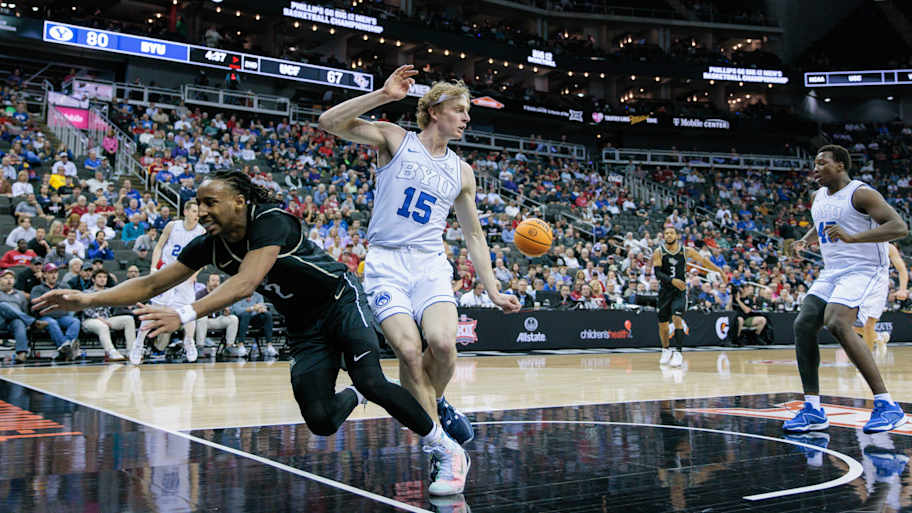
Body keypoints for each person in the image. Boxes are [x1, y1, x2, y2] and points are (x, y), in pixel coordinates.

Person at [32, 171, 469, 495]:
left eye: (210, 202)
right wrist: (86, 299)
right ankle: (355, 396)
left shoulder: (271, 220)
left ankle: (445, 449)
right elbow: (150, 285)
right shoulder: (209, 245)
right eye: (197, 204)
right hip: (304, 326)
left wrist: (184, 313)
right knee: (320, 420)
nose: (202, 211)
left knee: (372, 379)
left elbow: (245, 283)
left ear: (239, 201)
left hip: (339, 300)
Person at [318, 66, 521, 449]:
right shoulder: (395, 139)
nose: (466, 118)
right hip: (386, 263)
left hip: (429, 264)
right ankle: (440, 447)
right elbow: (328, 122)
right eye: (459, 110)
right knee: (410, 352)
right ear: (434, 111)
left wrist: (493, 290)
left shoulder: (462, 172)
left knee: (443, 345)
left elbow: (474, 235)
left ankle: (435, 401)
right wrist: (383, 95)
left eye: (467, 112)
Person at [785, 145, 909, 434]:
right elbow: (822, 225)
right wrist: (805, 241)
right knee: (804, 324)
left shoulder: (861, 193)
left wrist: (854, 238)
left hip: (865, 269)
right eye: (814, 164)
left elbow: (899, 227)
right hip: (833, 270)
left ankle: (887, 406)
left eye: (822, 163)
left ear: (840, 165)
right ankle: (813, 410)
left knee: (837, 321)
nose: (815, 169)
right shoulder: (818, 196)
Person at [132, 200, 205, 364]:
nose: (197, 215)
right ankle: (139, 343)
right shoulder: (172, 226)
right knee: (155, 309)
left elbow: (203, 258)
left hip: (186, 274)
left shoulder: (201, 231)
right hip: (167, 271)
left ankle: (189, 341)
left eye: (198, 212)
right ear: (186, 212)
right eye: (194, 211)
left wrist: (195, 274)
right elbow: (158, 247)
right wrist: (153, 268)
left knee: (189, 311)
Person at [651, 225, 726, 367]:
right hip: (665, 292)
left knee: (677, 318)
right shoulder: (659, 252)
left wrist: (719, 271)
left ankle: (678, 352)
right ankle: (666, 350)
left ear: (676, 235)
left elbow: (704, 262)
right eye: (666, 233)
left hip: (679, 292)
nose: (668, 235)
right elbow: (658, 273)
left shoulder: (686, 251)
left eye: (671, 233)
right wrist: (672, 281)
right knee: (663, 325)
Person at [853, 243, 908, 353]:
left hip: (878, 288)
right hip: (860, 288)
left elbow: (902, 269)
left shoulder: (888, 247)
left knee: (868, 325)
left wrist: (902, 289)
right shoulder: (859, 245)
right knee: (850, 327)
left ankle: (866, 362)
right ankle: (879, 338)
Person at [81, 269, 136, 362]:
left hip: (107, 319)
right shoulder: (86, 292)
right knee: (103, 326)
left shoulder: (109, 291)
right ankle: (111, 352)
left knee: (128, 319)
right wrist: (100, 319)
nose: (102, 279)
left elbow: (119, 301)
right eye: (99, 277)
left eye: (105, 277)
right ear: (93, 279)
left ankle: (131, 351)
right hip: (90, 320)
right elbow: (86, 309)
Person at [30, 263, 81, 361]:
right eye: (50, 273)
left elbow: (71, 301)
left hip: (62, 315)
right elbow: (36, 305)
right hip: (45, 316)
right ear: (44, 274)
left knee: (75, 321)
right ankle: (67, 348)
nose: (54, 275)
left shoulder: (64, 286)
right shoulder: (37, 289)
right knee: (52, 322)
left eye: (55, 272)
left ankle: (65, 348)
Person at [0, 269, 46, 363]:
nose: (9, 280)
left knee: (19, 322)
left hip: (14, 322)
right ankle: (33, 322)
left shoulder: (20, 294)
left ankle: (22, 353)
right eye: (5, 278)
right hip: (1, 321)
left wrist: (25, 321)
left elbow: (24, 310)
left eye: (11, 278)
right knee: (3, 305)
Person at [195, 274, 244, 356]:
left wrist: (226, 311)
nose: (215, 283)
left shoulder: (221, 294)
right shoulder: (200, 294)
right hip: (205, 320)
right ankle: (200, 347)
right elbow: (197, 311)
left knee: (233, 318)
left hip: (217, 319)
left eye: (217, 281)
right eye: (213, 280)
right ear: (208, 282)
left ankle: (229, 347)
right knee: (202, 318)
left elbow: (227, 309)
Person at [231, 291, 276, 358]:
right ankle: (241, 345)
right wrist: (252, 308)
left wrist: (262, 309)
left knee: (267, 314)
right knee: (246, 314)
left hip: (255, 317)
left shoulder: (258, 295)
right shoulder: (238, 294)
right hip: (240, 319)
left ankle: (269, 346)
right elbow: (237, 310)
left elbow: (261, 306)